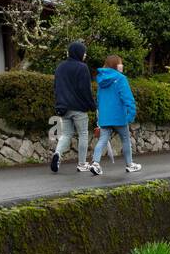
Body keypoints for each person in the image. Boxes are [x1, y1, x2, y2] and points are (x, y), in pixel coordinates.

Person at [90, 54, 143, 175]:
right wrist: (131, 114)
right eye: (120, 63)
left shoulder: (101, 80)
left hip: (105, 116)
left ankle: (95, 163)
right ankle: (129, 165)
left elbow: (99, 99)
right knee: (125, 139)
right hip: (119, 115)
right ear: (117, 65)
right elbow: (127, 98)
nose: (121, 65)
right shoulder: (121, 78)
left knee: (103, 139)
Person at [51, 40, 95, 173]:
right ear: (79, 52)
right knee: (83, 134)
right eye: (84, 52)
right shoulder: (82, 67)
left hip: (63, 107)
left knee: (66, 134)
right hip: (78, 108)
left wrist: (59, 103)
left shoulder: (60, 67)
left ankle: (58, 153)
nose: (85, 55)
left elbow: (56, 87)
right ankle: (82, 164)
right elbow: (85, 89)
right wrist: (92, 105)